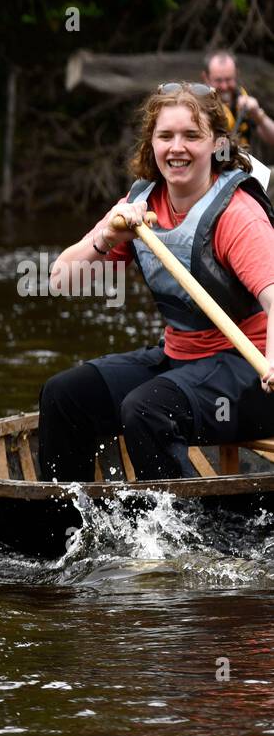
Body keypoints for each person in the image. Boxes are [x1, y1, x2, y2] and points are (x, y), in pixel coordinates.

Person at [39, 81, 274, 483]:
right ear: (151, 144)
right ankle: (64, 532)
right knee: (64, 395)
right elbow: (60, 279)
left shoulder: (237, 214)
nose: (176, 148)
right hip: (181, 361)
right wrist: (106, 239)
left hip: (251, 378)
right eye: (165, 136)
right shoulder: (139, 206)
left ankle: (181, 535)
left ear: (216, 143)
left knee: (147, 409)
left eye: (191, 136)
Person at [202, 50, 274, 150]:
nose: (224, 86)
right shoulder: (201, 106)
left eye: (228, 79)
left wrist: (258, 115)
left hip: (244, 161)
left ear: (236, 74)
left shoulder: (243, 98)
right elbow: (221, 157)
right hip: (217, 162)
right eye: (218, 80)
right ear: (206, 78)